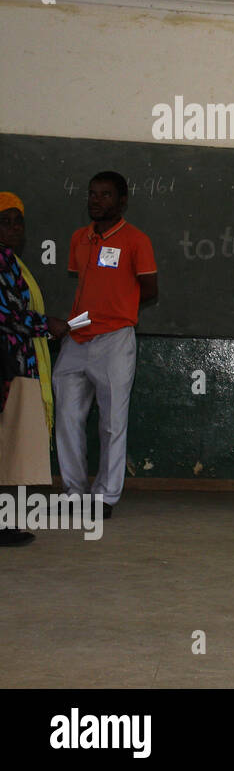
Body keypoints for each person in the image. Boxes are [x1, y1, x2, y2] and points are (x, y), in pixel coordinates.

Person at [53, 172, 158, 517]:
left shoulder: (136, 240)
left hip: (115, 339)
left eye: (106, 195)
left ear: (122, 201)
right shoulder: (78, 239)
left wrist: (118, 310)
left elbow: (150, 289)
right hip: (77, 334)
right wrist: (78, 322)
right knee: (67, 416)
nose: (97, 200)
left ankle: (105, 498)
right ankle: (73, 492)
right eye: (93, 194)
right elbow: (86, 285)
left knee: (112, 422)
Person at [0, 194, 70, 546]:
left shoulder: (11, 262)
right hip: (5, 363)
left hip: (15, 361)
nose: (14, 227)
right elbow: (6, 314)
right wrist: (47, 324)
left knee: (7, 442)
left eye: (18, 221)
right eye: (5, 221)